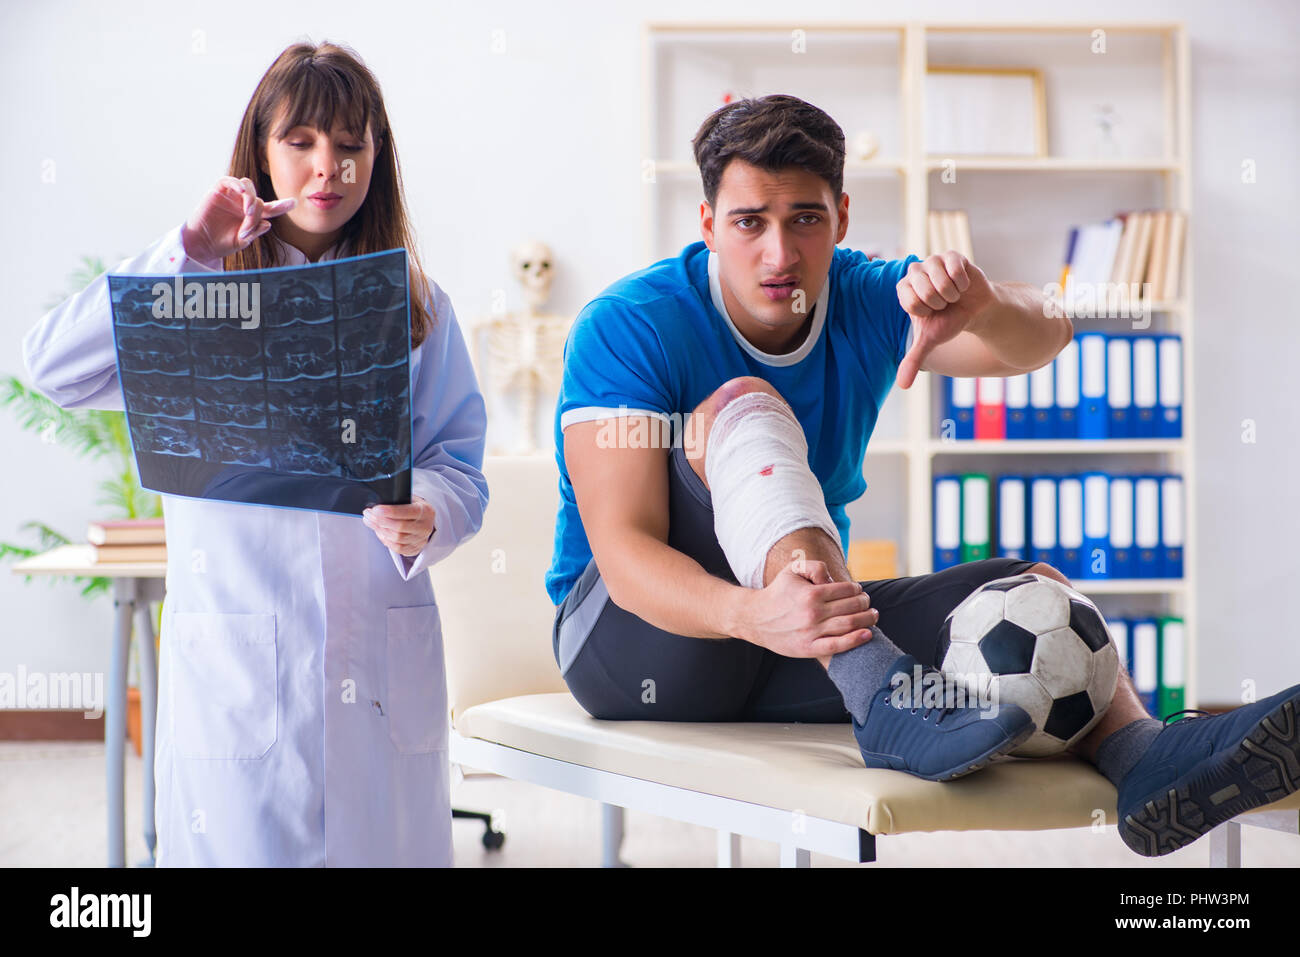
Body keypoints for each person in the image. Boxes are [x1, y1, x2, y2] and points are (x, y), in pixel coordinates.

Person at [549, 94, 1300, 858]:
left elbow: (1044, 334)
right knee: (743, 403)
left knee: (1030, 590)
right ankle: (882, 692)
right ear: (708, 223)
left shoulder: (868, 293)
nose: (779, 253)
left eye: (805, 218)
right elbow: (624, 555)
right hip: (632, 647)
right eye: (750, 222)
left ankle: (1147, 757)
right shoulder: (632, 323)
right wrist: (752, 615)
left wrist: (982, 303)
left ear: (841, 217)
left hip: (796, 638)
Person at [23, 41, 488, 866]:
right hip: (238, 671)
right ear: (260, 151)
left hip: (379, 663)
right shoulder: (194, 294)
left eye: (352, 145)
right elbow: (55, 369)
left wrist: (431, 513)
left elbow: (460, 464)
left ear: (377, 157)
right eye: (301, 142)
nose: (328, 168)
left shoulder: (417, 307)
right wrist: (190, 251)